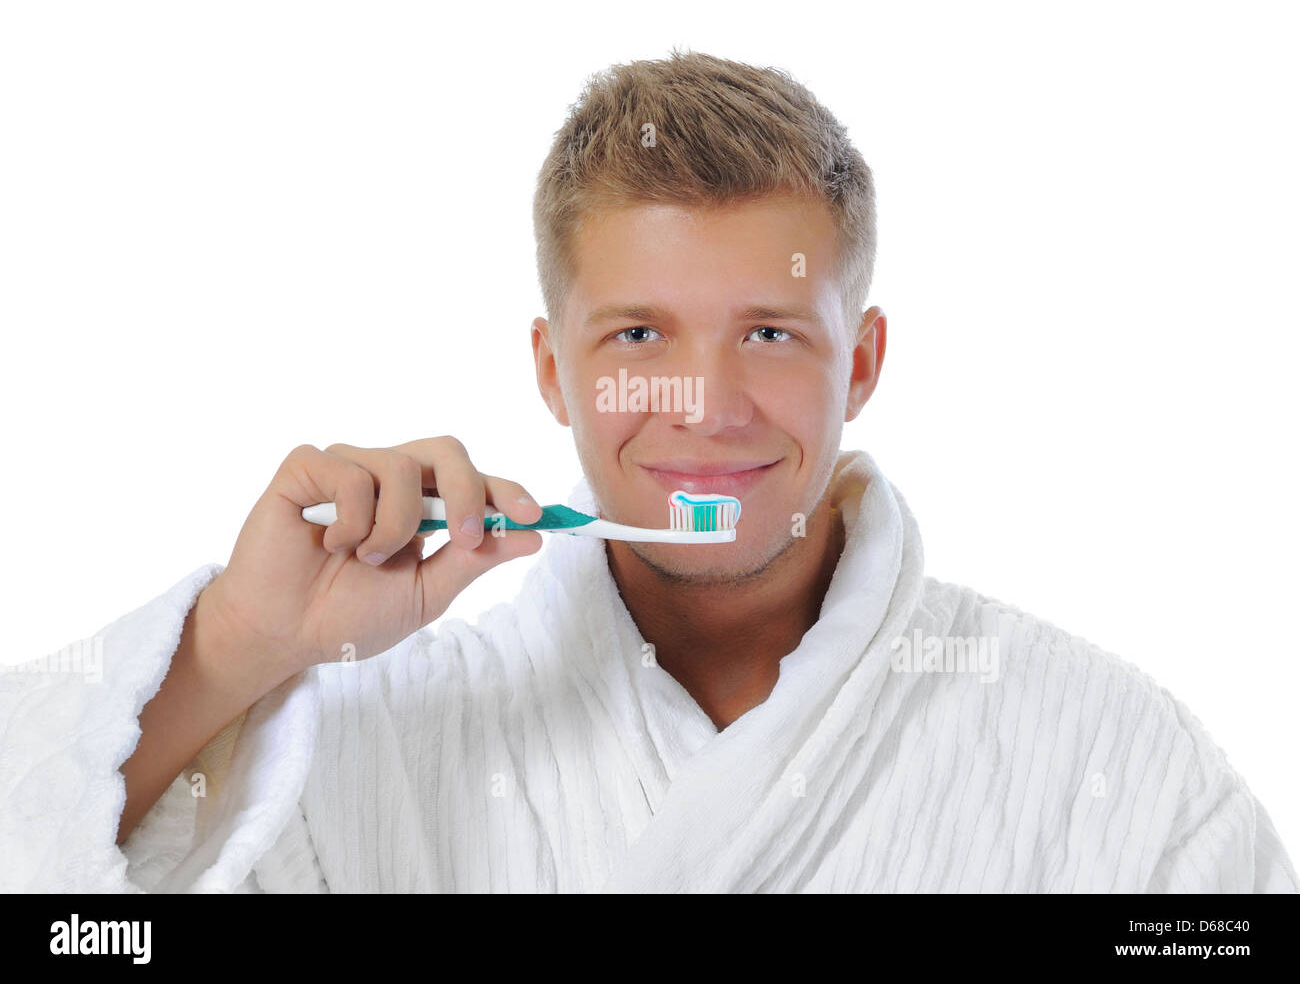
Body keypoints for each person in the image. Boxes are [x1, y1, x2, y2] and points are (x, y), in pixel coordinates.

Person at [2, 51, 1294, 893]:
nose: (706, 406)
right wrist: (236, 640)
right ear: (553, 369)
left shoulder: (1114, 764)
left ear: (865, 363)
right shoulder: (376, 743)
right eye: (637, 337)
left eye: (772, 334)